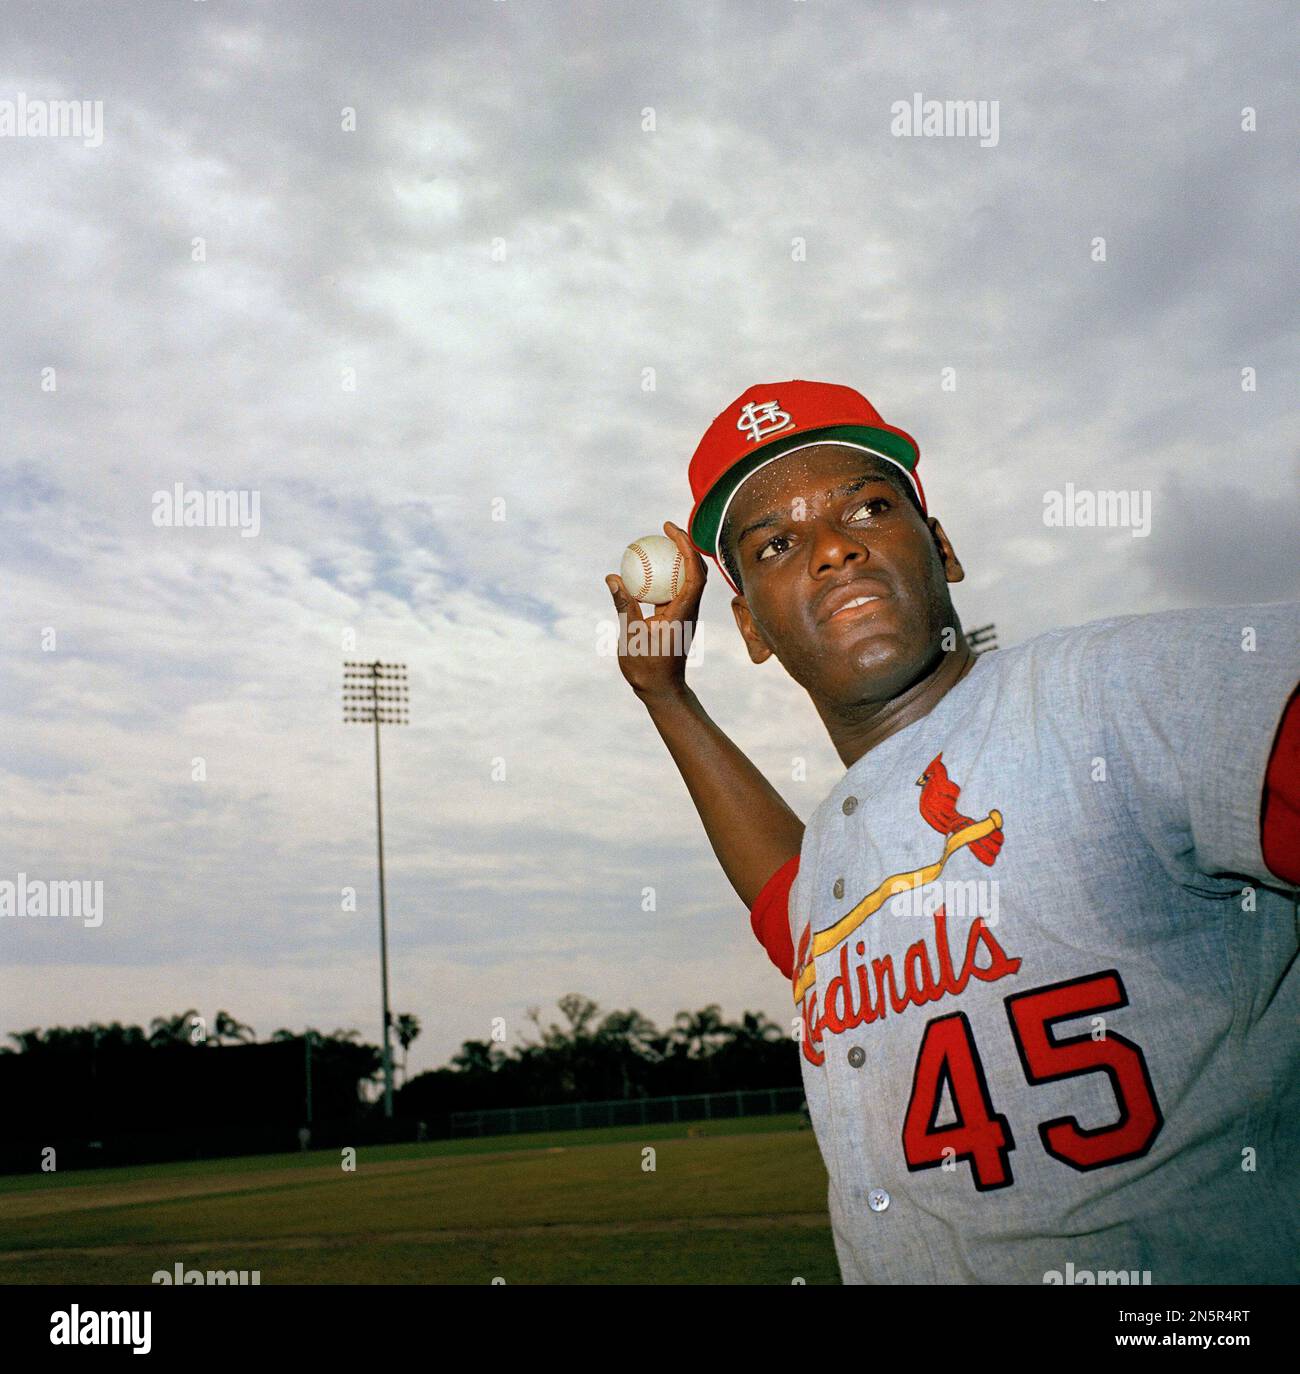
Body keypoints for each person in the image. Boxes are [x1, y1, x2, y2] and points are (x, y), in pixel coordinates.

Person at [606, 379, 1299, 1284]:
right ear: (752, 627)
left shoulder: (1116, 696)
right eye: (777, 543)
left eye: (868, 506)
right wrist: (666, 695)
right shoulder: (844, 863)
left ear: (941, 548)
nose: (833, 549)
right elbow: (790, 904)